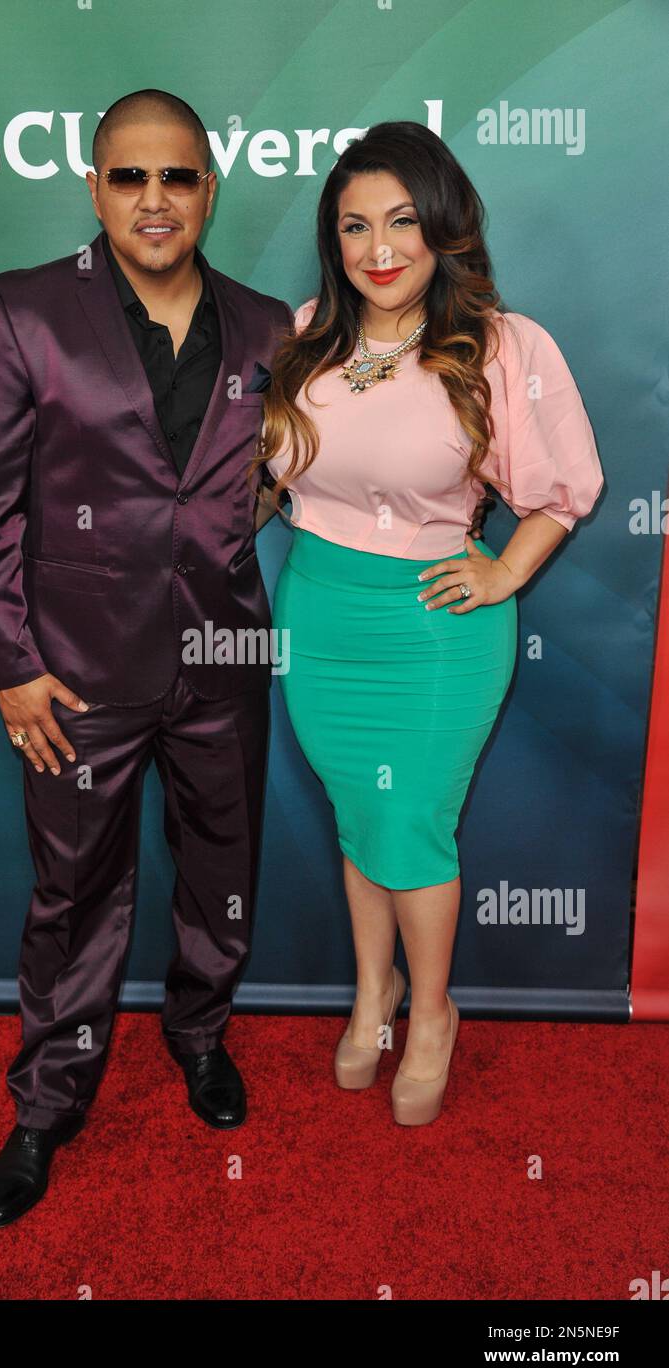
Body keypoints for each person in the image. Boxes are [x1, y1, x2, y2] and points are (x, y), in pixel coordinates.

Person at [0, 89, 295, 1228]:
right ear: (94, 188)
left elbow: (275, 472)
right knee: (75, 892)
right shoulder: (23, 310)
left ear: (208, 188)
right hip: (75, 677)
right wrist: (9, 663)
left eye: (178, 177)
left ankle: (199, 1038)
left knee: (219, 872)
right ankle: (47, 1101)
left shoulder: (264, 326)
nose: (155, 200)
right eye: (131, 177)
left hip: (224, 653)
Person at [252, 120, 604, 1126]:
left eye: (402, 220)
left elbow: (566, 488)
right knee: (361, 819)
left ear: (443, 224)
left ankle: (434, 1009)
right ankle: (376, 992)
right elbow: (275, 480)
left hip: (432, 629)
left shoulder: (500, 343)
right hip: (318, 617)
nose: (379, 248)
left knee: (410, 822)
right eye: (355, 225)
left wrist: (503, 572)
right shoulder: (312, 329)